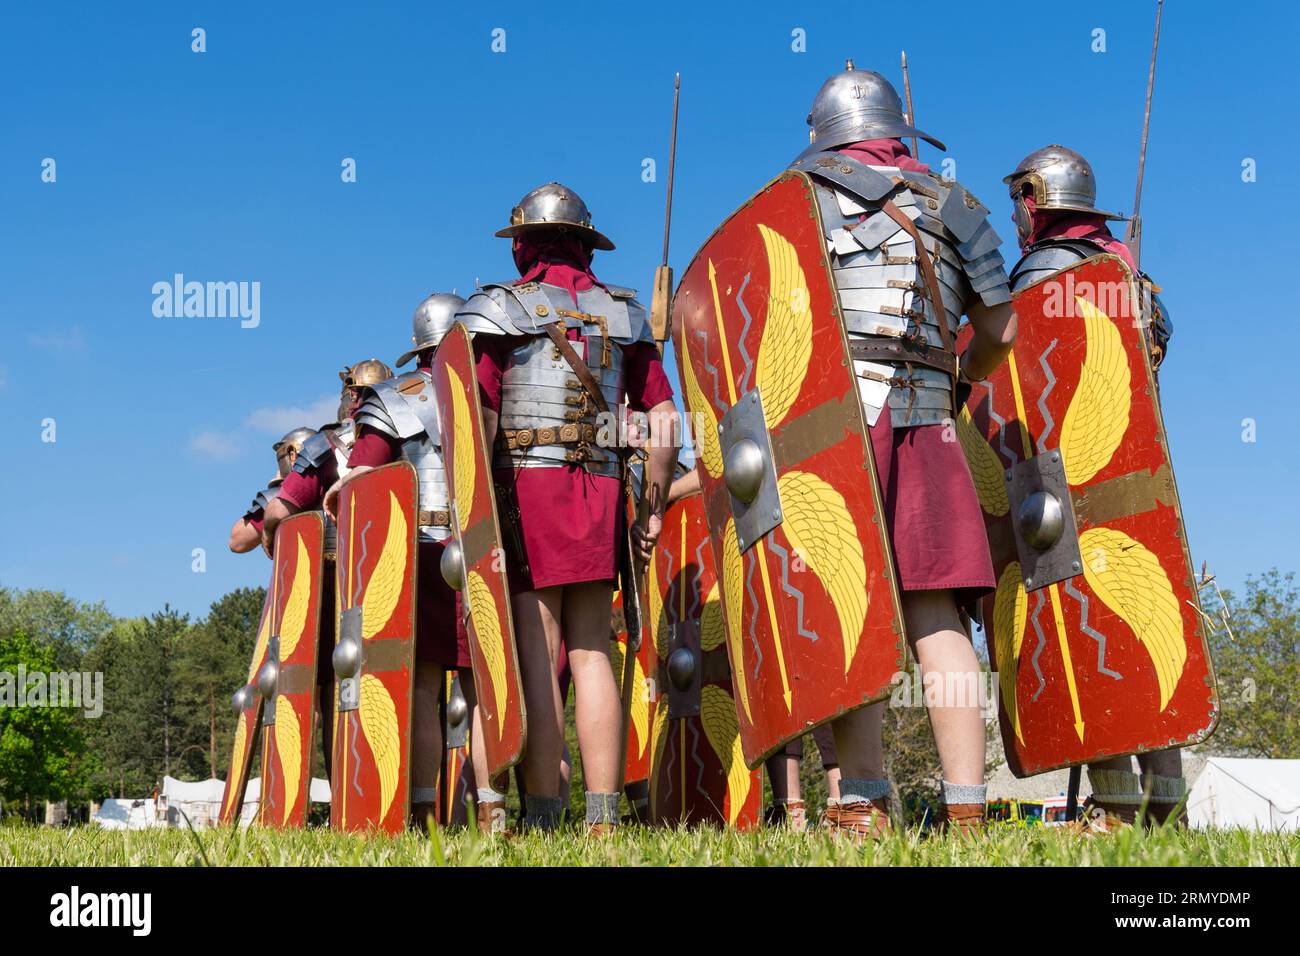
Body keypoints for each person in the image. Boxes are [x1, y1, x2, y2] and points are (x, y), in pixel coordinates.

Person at [786, 62, 1018, 837]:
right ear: (897, 128)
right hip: (931, 419)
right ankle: (967, 809)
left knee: (851, 602)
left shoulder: (799, 200)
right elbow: (1001, 332)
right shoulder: (957, 202)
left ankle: (862, 800)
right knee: (937, 614)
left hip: (838, 427)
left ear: (824, 132)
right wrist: (954, 379)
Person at [455, 182, 680, 834]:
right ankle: (604, 820)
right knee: (592, 654)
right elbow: (664, 423)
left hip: (528, 492)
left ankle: (546, 815)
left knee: (538, 649)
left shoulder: (497, 309)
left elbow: (481, 419)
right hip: (602, 492)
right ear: (586, 246)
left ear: (523, 244)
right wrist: (651, 510)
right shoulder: (623, 313)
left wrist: (479, 511)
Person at [1004, 145, 1180, 829]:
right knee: (1142, 636)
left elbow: (1013, 374)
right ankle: (1167, 816)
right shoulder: (1128, 271)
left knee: (1088, 641)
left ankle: (1115, 811)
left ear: (1031, 199)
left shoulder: (1040, 271)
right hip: (1139, 476)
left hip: (1067, 480)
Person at [322, 294, 493, 830]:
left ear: (417, 346)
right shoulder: (492, 396)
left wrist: (336, 496)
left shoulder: (388, 400)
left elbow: (364, 476)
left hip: (419, 557)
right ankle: (491, 809)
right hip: (484, 551)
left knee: (422, 685)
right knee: (486, 688)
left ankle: (421, 810)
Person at [261, 359, 392, 779]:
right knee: (400, 684)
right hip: (395, 583)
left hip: (334, 583)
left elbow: (280, 510)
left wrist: (270, 537)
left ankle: (345, 794)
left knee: (334, 689)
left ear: (351, 395)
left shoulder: (323, 445)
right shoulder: (413, 432)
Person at [228, 427, 315, 554]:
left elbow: (237, 541)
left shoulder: (288, 491)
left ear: (292, 455)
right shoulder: (335, 476)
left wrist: (279, 489)